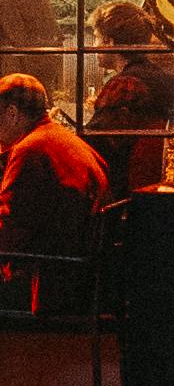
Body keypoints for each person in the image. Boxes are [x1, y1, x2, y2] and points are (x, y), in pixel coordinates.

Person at [0, 72, 112, 319]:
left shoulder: (30, 150)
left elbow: (9, 231)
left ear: (11, 114)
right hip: (84, 273)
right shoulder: (64, 139)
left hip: (49, 279)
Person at [82, 2, 174, 196]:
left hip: (125, 190)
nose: (93, 46)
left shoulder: (125, 85)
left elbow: (97, 144)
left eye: (97, 38)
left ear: (110, 42)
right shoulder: (161, 77)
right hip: (156, 187)